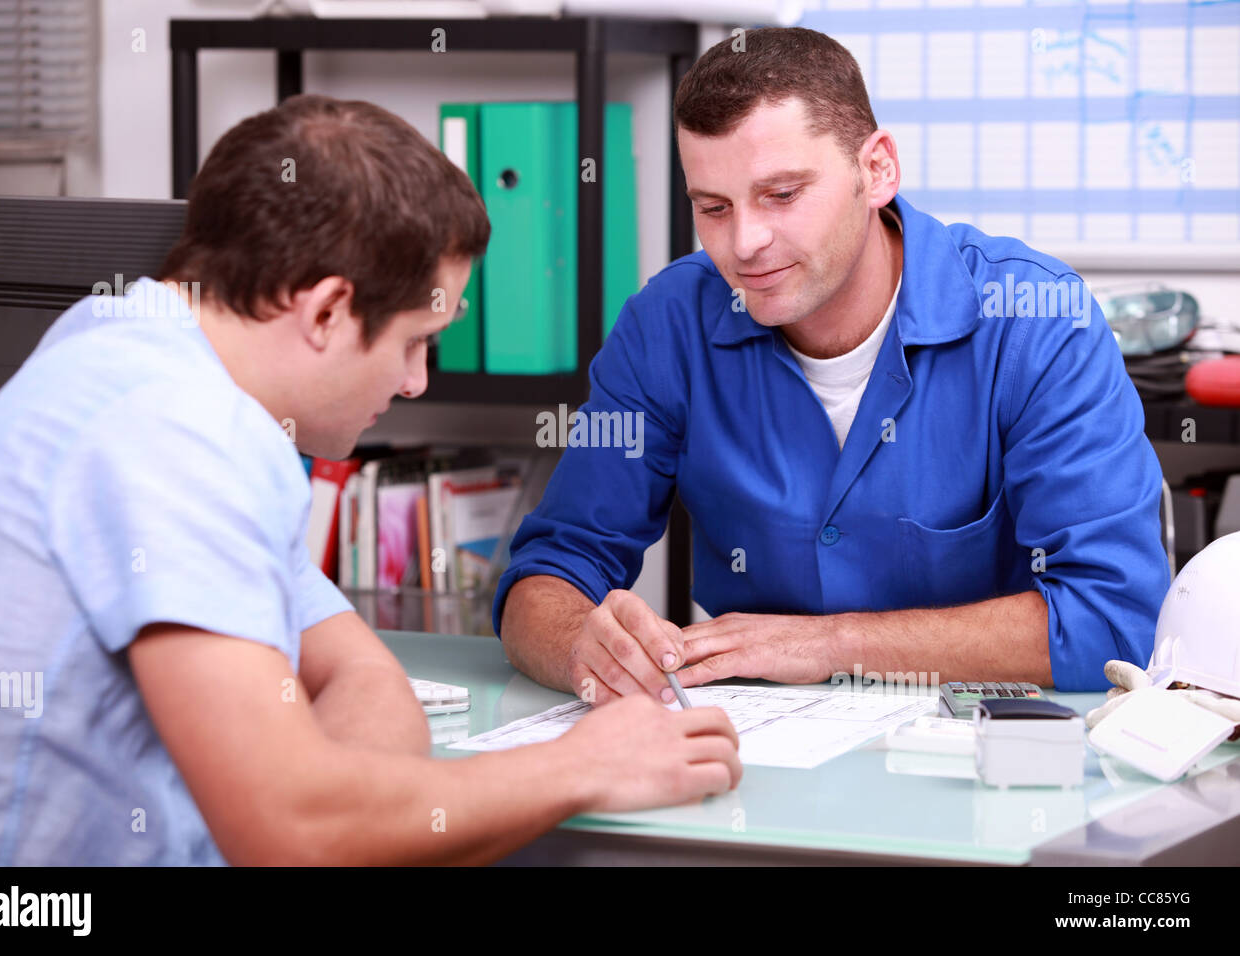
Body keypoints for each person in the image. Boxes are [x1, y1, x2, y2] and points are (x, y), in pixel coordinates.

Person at [0, 95, 741, 866]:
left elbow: (358, 674)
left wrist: (331, 800)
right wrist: (582, 766)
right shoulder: (175, 431)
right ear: (325, 312)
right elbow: (292, 835)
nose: (417, 382)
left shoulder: (144, 354)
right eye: (416, 341)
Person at [495, 27, 1170, 702]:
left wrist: (830, 643)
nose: (746, 243)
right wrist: (583, 642)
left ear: (875, 170)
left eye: (782, 195)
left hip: (996, 763)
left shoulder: (1035, 319)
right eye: (713, 208)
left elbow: (1112, 622)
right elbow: (548, 574)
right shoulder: (667, 324)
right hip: (761, 765)